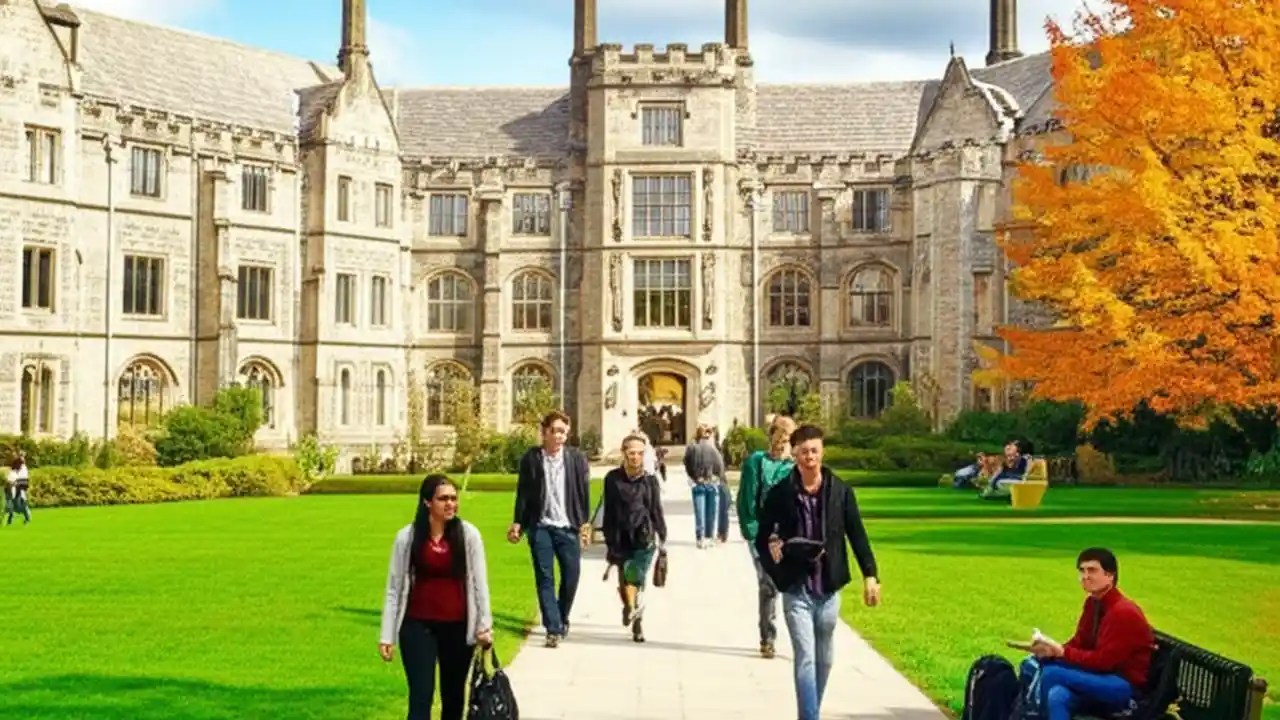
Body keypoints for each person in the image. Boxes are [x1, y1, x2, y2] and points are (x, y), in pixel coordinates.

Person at [756, 424, 881, 720]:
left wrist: (871, 575)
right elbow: (762, 539)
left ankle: (810, 712)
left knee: (825, 659)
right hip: (797, 587)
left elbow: (857, 535)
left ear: (822, 452)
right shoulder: (780, 493)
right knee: (806, 657)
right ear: (794, 454)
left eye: (814, 450)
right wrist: (776, 567)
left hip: (828, 587)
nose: (809, 456)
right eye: (803, 452)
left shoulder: (840, 491)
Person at [378, 474, 494, 720]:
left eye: (453, 498)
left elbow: (479, 585)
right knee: (421, 696)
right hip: (417, 626)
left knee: (453, 697)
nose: (450, 504)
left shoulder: (468, 535)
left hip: (457, 627)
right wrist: (387, 635)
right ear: (427, 502)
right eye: (443, 499)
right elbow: (394, 588)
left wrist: (484, 626)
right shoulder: (407, 538)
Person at [1020, 548, 1154, 720]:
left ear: (1110, 576)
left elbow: (1104, 662)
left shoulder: (1123, 612)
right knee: (1056, 694)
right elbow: (1079, 643)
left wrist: (1061, 652)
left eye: (1092, 570)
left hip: (1123, 686)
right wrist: (1051, 651)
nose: (1085, 576)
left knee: (1052, 673)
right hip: (1098, 677)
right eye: (1082, 571)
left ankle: (1030, 715)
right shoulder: (1093, 603)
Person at [508, 410, 592, 648]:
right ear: (544, 432)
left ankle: (561, 616)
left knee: (571, 576)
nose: (559, 436)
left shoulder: (576, 458)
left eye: (563, 432)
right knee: (545, 577)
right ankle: (552, 628)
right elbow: (523, 493)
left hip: (568, 527)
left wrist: (584, 523)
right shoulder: (532, 458)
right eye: (554, 431)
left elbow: (583, 493)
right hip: (541, 526)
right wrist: (518, 522)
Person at [736, 415, 797, 659]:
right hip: (763, 532)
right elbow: (746, 500)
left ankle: (799, 638)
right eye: (779, 434)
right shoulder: (756, 462)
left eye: (789, 436)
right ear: (771, 434)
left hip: (790, 535)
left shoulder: (795, 467)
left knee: (794, 587)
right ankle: (767, 637)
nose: (783, 440)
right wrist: (754, 536)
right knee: (769, 584)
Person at [602, 434, 668, 643]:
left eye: (640, 453)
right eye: (632, 453)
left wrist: (662, 535)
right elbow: (609, 511)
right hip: (621, 537)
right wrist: (609, 539)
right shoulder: (612, 479)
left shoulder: (649, 481)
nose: (635, 457)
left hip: (644, 537)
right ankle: (629, 607)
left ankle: (638, 624)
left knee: (637, 579)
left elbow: (656, 509)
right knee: (625, 582)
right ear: (624, 453)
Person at [683, 424, 726, 548]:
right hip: (711, 482)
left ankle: (701, 537)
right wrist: (717, 476)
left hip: (698, 483)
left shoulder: (692, 447)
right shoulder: (714, 447)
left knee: (700, 511)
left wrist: (694, 477)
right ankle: (709, 536)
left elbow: (687, 463)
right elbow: (720, 465)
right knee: (712, 511)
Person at [6, 451, 30, 526]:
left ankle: (27, 518)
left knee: (19, 505)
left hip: (19, 489)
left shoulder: (23, 469)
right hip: (15, 489)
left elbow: (24, 481)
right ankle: (11, 518)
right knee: (12, 505)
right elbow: (10, 481)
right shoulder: (14, 471)